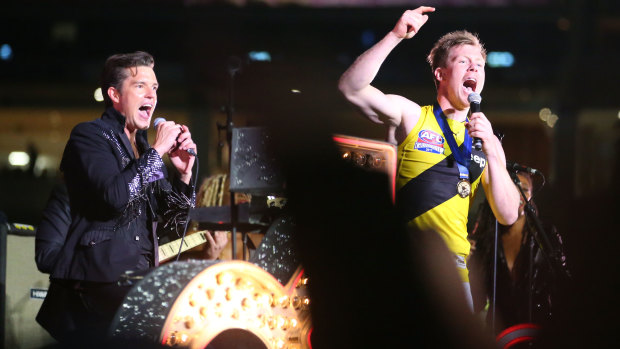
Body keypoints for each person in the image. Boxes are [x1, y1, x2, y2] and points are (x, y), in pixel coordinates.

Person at [338, 6, 520, 310]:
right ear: (441, 73)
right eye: (464, 62)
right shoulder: (412, 116)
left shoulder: (486, 141)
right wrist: (396, 36)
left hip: (454, 273)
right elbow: (350, 88)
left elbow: (508, 215)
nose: (474, 69)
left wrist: (491, 149)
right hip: (404, 265)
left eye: (479, 64)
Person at [40, 51, 198, 342]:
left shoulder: (143, 151)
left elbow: (172, 226)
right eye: (140, 86)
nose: (151, 94)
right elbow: (114, 197)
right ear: (114, 94)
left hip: (139, 284)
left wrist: (184, 175)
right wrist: (158, 151)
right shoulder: (90, 136)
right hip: (97, 287)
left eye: (155, 88)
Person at [468, 170, 569, 336]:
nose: (517, 195)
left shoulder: (545, 235)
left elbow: (562, 285)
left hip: (539, 334)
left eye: (524, 189)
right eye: (511, 188)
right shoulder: (487, 239)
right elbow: (477, 302)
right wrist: (468, 262)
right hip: (500, 337)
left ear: (531, 195)